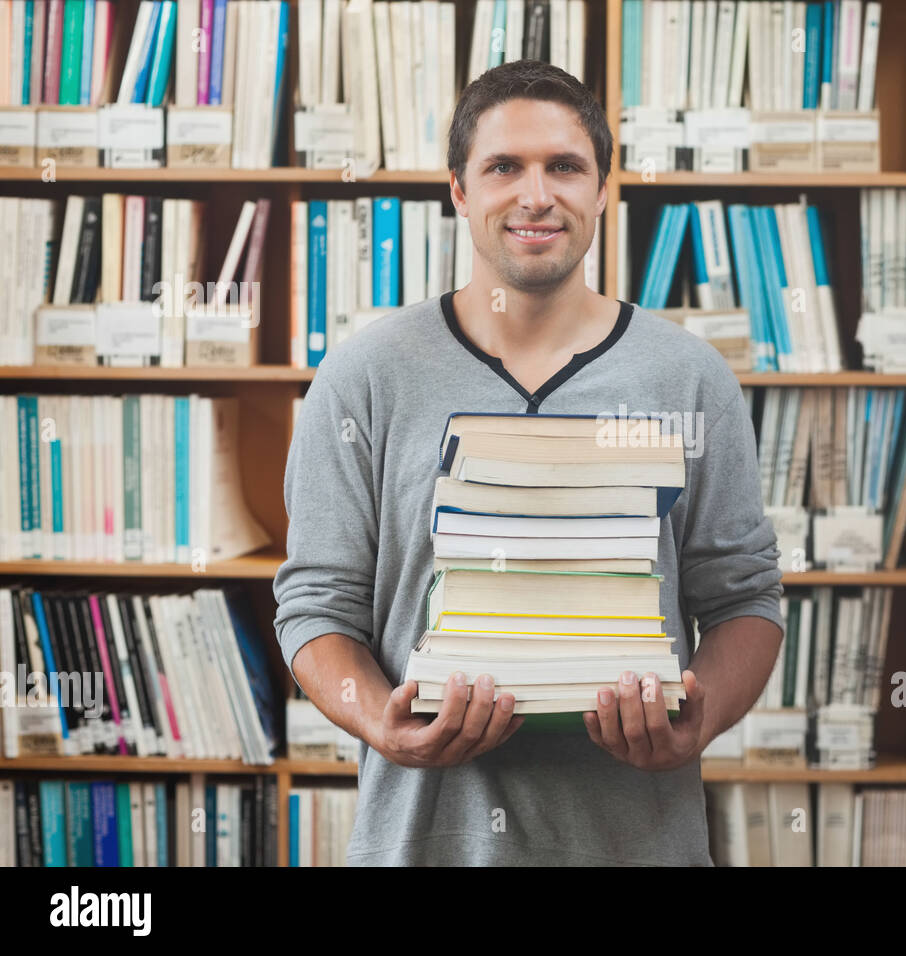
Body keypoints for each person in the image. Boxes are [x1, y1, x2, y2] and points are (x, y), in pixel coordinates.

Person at [273, 59, 783, 866]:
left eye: (565, 167)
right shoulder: (364, 376)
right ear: (459, 192)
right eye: (504, 167)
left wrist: (700, 719)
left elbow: (747, 597)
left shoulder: (689, 378)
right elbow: (315, 602)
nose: (536, 195)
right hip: (421, 843)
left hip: (638, 843)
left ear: (603, 190)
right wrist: (377, 718)